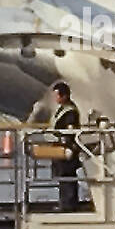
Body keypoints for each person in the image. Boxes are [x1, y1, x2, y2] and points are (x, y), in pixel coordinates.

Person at [48, 81, 81, 211]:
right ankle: (65, 202)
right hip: (59, 147)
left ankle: (68, 204)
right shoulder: (62, 110)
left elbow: (69, 131)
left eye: (57, 95)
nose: (55, 98)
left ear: (64, 96)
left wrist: (66, 145)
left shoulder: (70, 112)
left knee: (67, 176)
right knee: (63, 177)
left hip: (66, 148)